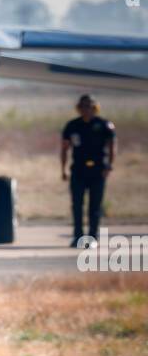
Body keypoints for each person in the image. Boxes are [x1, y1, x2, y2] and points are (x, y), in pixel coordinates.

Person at [61, 94, 116, 246]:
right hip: (78, 170)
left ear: (95, 108)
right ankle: (78, 236)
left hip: (98, 170)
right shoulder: (72, 126)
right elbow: (65, 148)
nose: (87, 109)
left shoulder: (104, 125)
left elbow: (112, 147)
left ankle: (92, 236)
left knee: (95, 206)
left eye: (90, 106)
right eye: (83, 106)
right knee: (77, 205)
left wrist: (109, 166)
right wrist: (64, 169)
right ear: (79, 108)